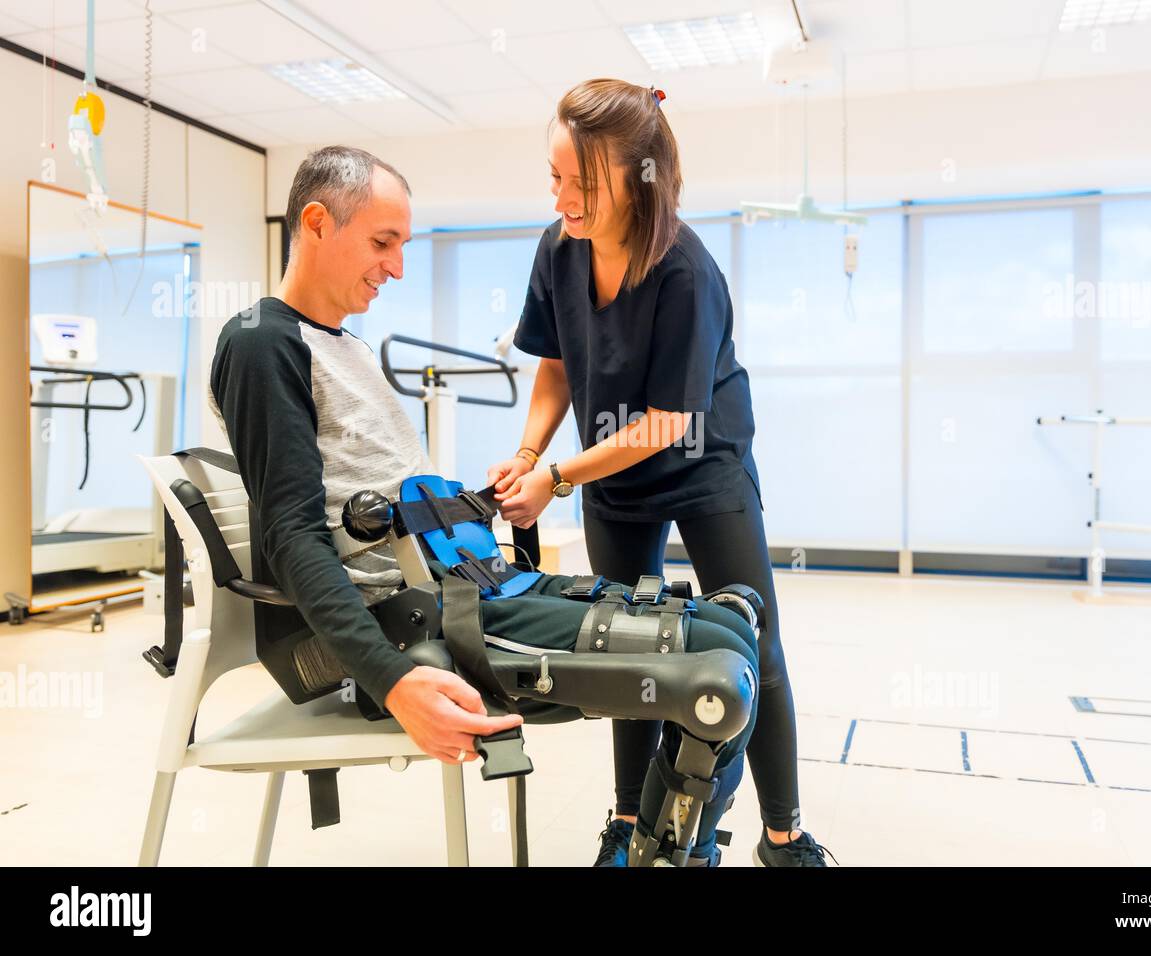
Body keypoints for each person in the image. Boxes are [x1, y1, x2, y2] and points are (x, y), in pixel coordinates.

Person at [208, 145, 757, 863]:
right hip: (416, 621)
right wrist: (392, 681)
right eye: (383, 242)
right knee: (722, 667)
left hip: (471, 582)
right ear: (316, 223)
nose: (396, 267)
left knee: (735, 624)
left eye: (402, 246)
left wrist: (499, 489)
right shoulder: (261, 344)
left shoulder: (346, 348)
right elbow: (291, 538)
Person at [488, 80, 832, 866]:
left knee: (756, 645)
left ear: (637, 180)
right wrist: (530, 456)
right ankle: (627, 821)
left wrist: (559, 478)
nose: (561, 198)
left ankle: (784, 836)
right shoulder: (559, 248)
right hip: (612, 470)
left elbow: (672, 421)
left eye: (581, 183)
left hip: (703, 462)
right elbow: (555, 364)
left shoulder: (684, 270)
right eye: (554, 177)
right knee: (625, 649)